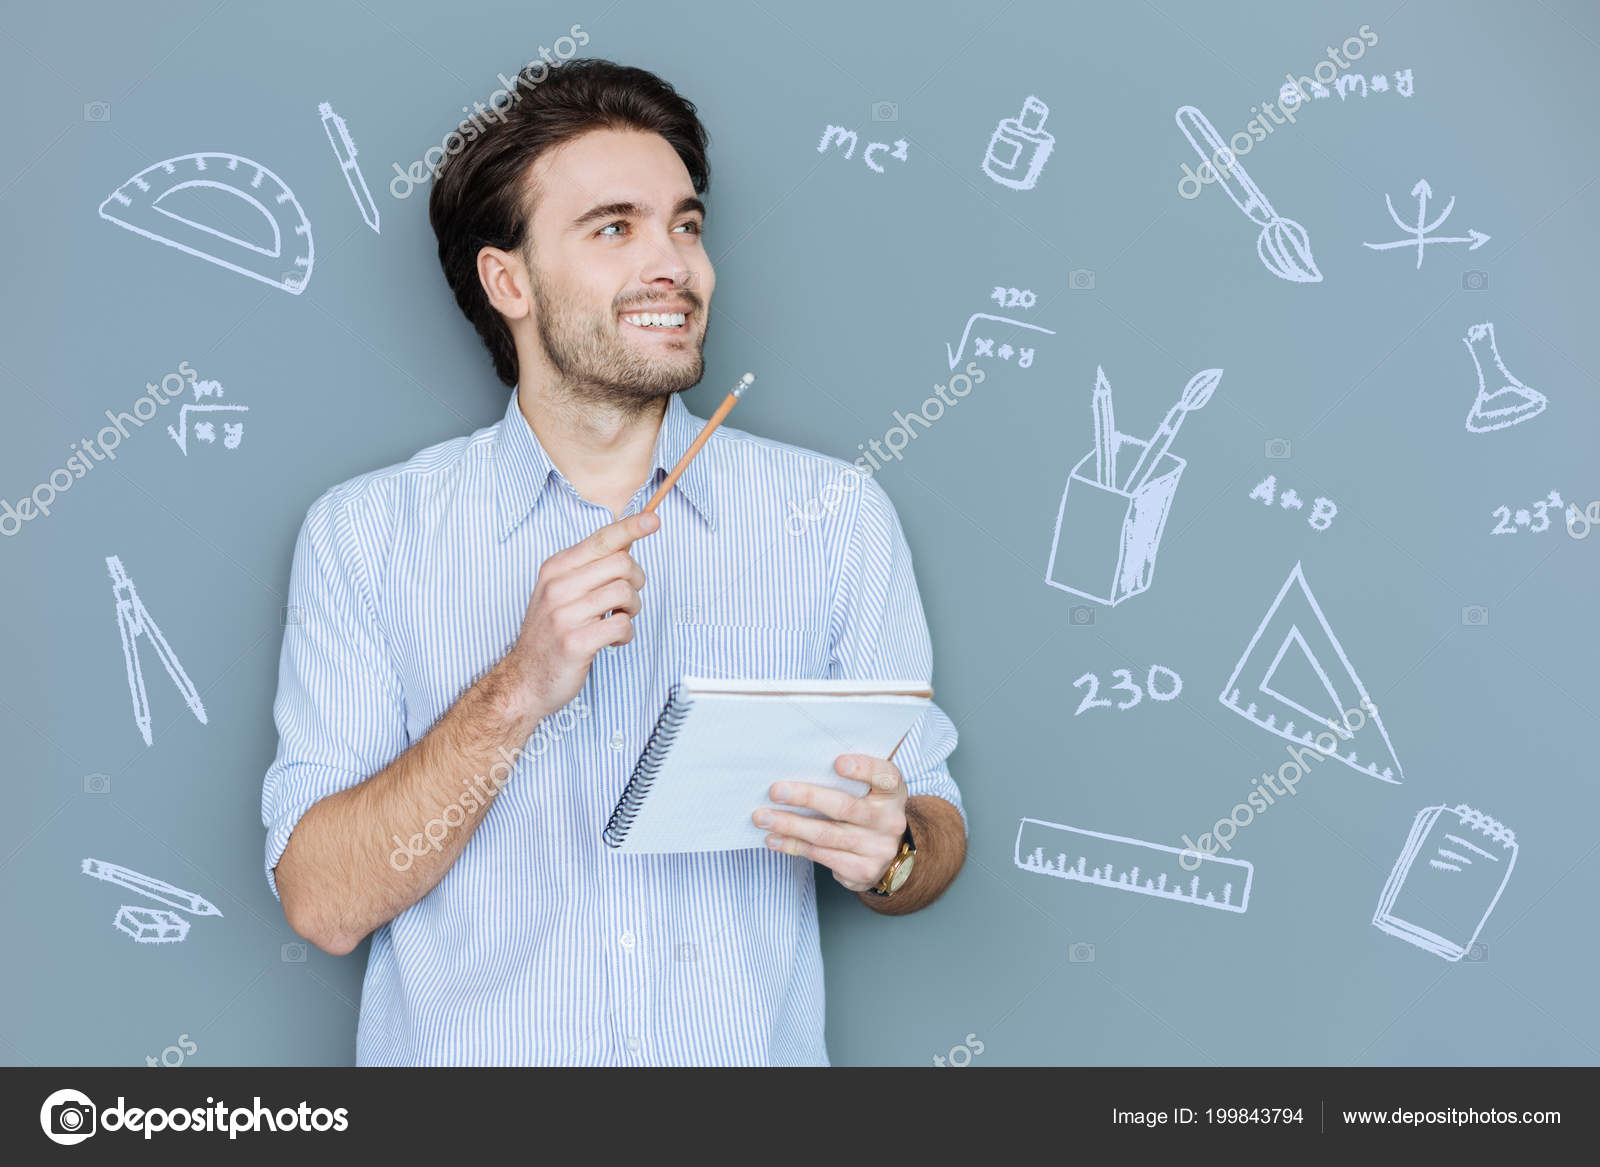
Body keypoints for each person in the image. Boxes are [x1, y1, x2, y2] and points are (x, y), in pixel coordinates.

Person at [261, 58, 966, 1066]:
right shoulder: (369, 535)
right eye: (613, 228)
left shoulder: (834, 514)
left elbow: (933, 824)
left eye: (685, 223)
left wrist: (893, 855)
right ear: (507, 280)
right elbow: (325, 903)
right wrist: (517, 691)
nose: (673, 264)